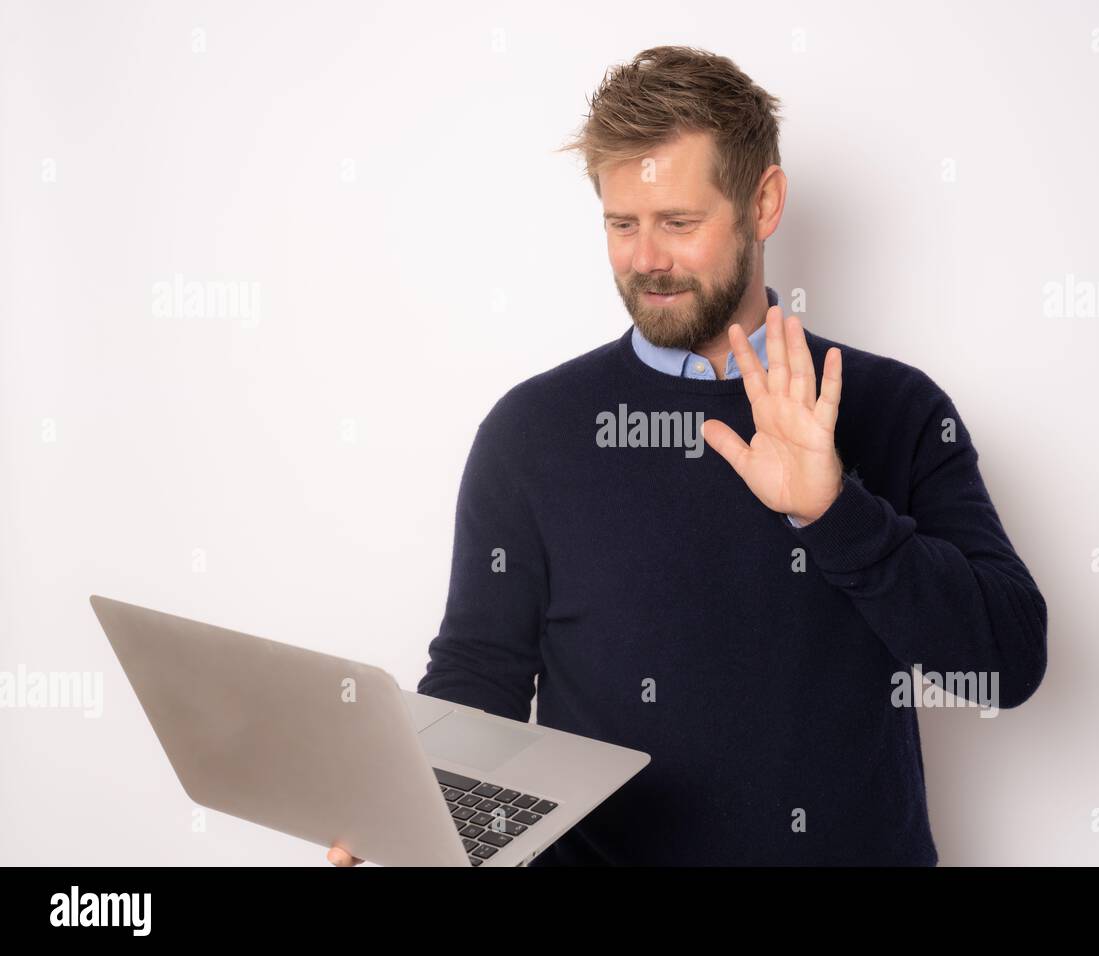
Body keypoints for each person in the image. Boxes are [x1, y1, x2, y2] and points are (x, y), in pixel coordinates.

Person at [330, 45, 1047, 867]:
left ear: (764, 202)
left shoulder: (894, 410)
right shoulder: (531, 433)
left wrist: (834, 512)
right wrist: (406, 814)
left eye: (679, 223)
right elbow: (479, 676)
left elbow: (1010, 662)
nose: (646, 261)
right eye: (621, 224)